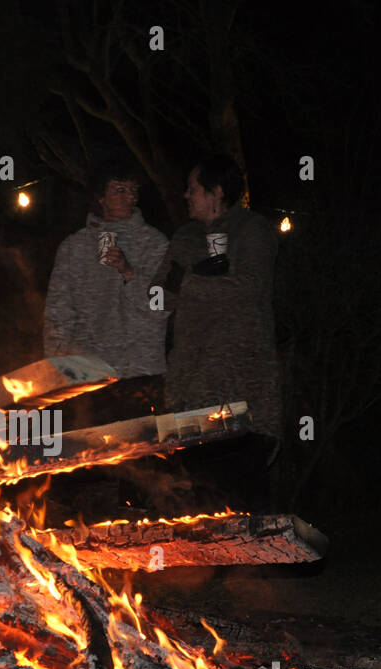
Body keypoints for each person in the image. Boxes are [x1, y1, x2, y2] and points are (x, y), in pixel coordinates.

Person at [151, 155, 281, 512]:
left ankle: (262, 563)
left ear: (217, 192)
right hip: (191, 384)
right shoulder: (185, 237)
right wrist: (190, 279)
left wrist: (189, 281)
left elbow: (250, 287)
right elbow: (158, 296)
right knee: (204, 488)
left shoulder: (251, 230)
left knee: (245, 485)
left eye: (193, 189)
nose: (185, 195)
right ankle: (214, 567)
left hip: (242, 383)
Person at [42, 162, 169, 427]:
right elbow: (58, 311)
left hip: (140, 371)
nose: (130, 197)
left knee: (144, 457)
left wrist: (129, 272)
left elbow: (163, 304)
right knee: (92, 457)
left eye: (133, 191)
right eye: (120, 190)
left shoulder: (156, 243)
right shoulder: (73, 247)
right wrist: (57, 365)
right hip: (88, 375)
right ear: (101, 198)